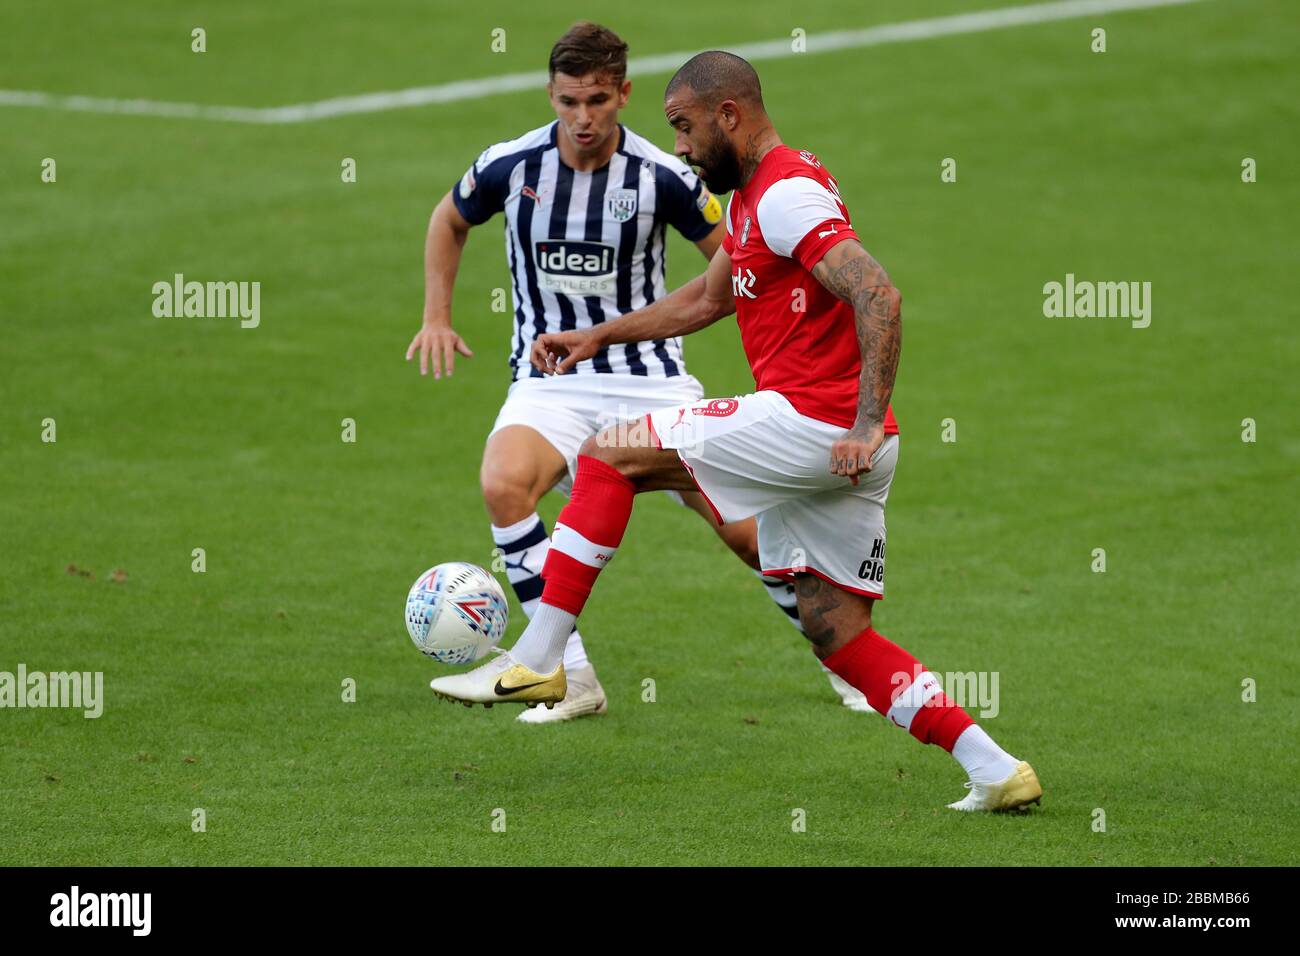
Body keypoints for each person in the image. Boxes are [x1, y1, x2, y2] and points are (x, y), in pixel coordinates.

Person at [430, 50, 1041, 812]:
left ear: (729, 115)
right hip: (846, 443)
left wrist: (859, 421)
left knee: (610, 456)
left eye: (685, 128)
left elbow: (878, 292)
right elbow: (704, 302)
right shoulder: (755, 192)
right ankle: (995, 769)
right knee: (837, 633)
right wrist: (600, 337)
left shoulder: (784, 194)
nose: (680, 148)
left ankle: (542, 657)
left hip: (819, 422)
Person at [409, 24, 870, 722]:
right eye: (568, 101)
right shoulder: (512, 165)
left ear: (623, 94)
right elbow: (449, 220)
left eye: (597, 100)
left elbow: (740, 265)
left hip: (648, 378)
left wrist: (786, 355)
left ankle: (844, 660)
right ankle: (566, 673)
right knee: (504, 483)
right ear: (550, 95)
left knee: (749, 535)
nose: (583, 117)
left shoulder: (666, 176)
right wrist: (436, 316)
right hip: (552, 379)